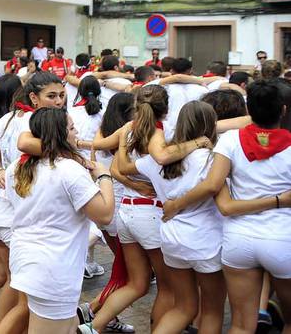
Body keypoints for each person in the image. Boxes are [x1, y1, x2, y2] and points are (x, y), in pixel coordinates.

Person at [0, 107, 114, 334]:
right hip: (53, 268)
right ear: (59, 134)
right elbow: (104, 214)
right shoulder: (69, 170)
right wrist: (104, 177)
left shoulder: (17, 167)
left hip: (27, 260)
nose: (76, 132)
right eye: (71, 128)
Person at [159, 79, 291, 334]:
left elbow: (213, 185)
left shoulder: (230, 140)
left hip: (238, 240)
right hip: (283, 239)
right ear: (283, 110)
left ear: (249, 111)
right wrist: (279, 201)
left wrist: (176, 205)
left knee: (241, 324)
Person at [118, 101, 227, 334]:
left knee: (183, 308)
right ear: (210, 125)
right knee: (212, 310)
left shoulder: (158, 160)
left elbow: (123, 167)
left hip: (171, 237)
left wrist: (122, 141)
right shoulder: (212, 158)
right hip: (205, 238)